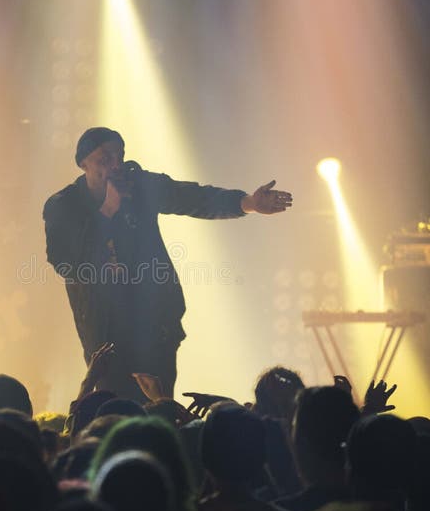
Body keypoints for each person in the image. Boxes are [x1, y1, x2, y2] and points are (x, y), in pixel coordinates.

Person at [43, 127, 292, 399]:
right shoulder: (64, 205)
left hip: (155, 325)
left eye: (120, 156)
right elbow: (64, 261)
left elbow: (191, 197)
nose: (115, 165)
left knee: (160, 404)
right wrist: (109, 209)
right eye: (105, 158)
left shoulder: (139, 186)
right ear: (83, 163)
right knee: (114, 405)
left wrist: (248, 203)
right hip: (105, 333)